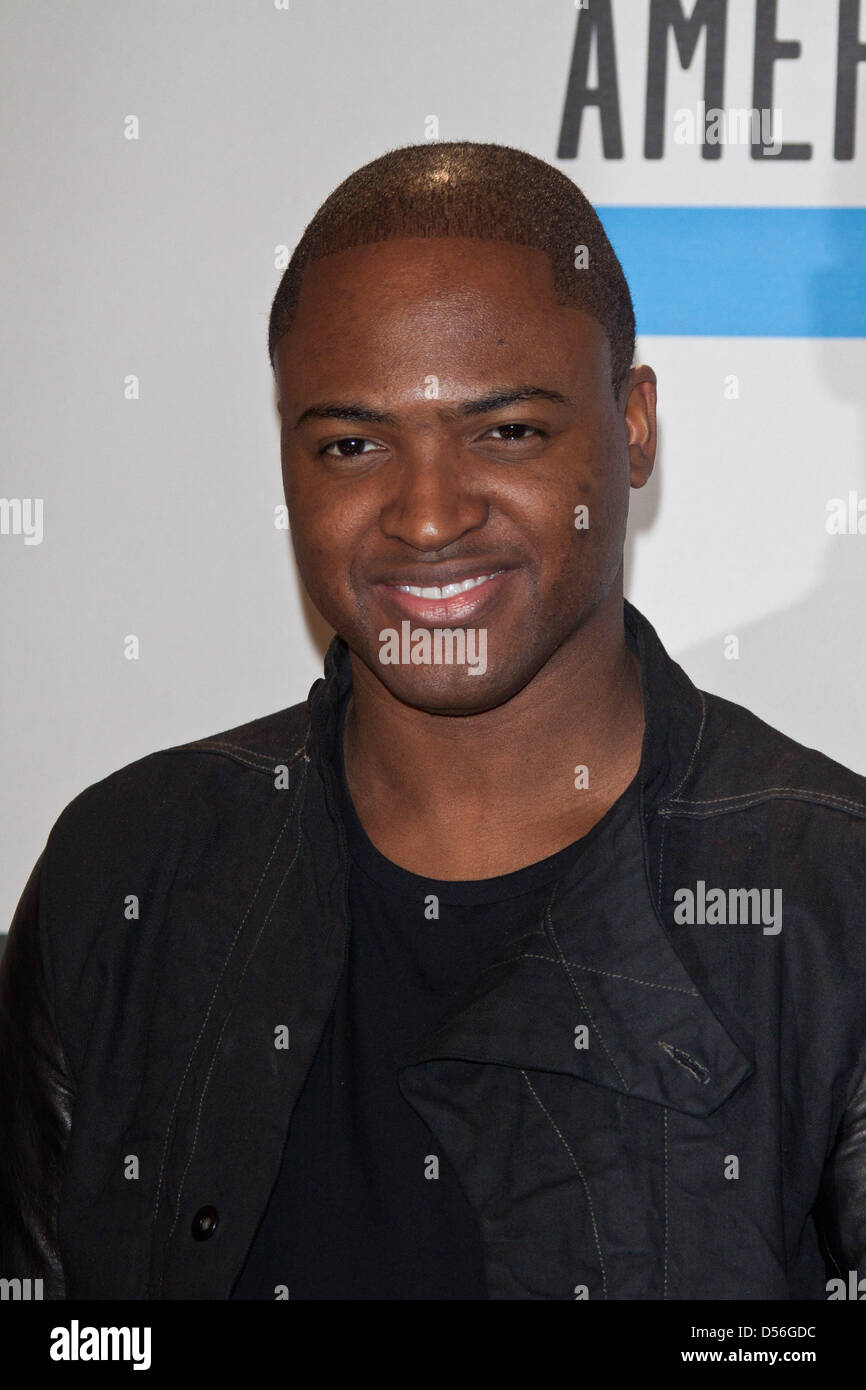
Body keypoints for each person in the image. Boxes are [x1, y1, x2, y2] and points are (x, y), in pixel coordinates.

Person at [2, 141, 865, 1302]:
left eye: (505, 431)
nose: (425, 515)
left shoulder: (825, 894)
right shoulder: (129, 870)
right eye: (351, 444)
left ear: (634, 423)